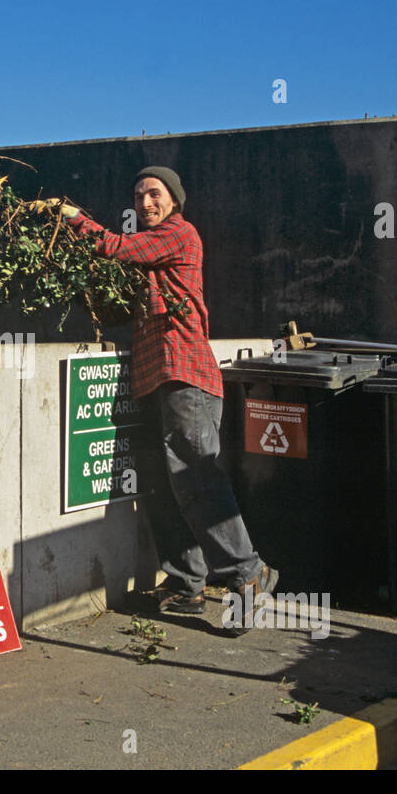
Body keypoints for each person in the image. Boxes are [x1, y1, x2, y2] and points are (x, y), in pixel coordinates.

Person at [52, 167, 277, 626]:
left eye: (154, 193)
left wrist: (72, 217)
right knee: (162, 486)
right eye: (138, 195)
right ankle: (184, 585)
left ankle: (247, 573)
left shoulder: (179, 235)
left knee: (196, 477)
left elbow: (114, 246)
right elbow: (117, 298)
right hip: (153, 381)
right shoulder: (150, 260)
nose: (145, 202)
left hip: (186, 375)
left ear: (174, 200)